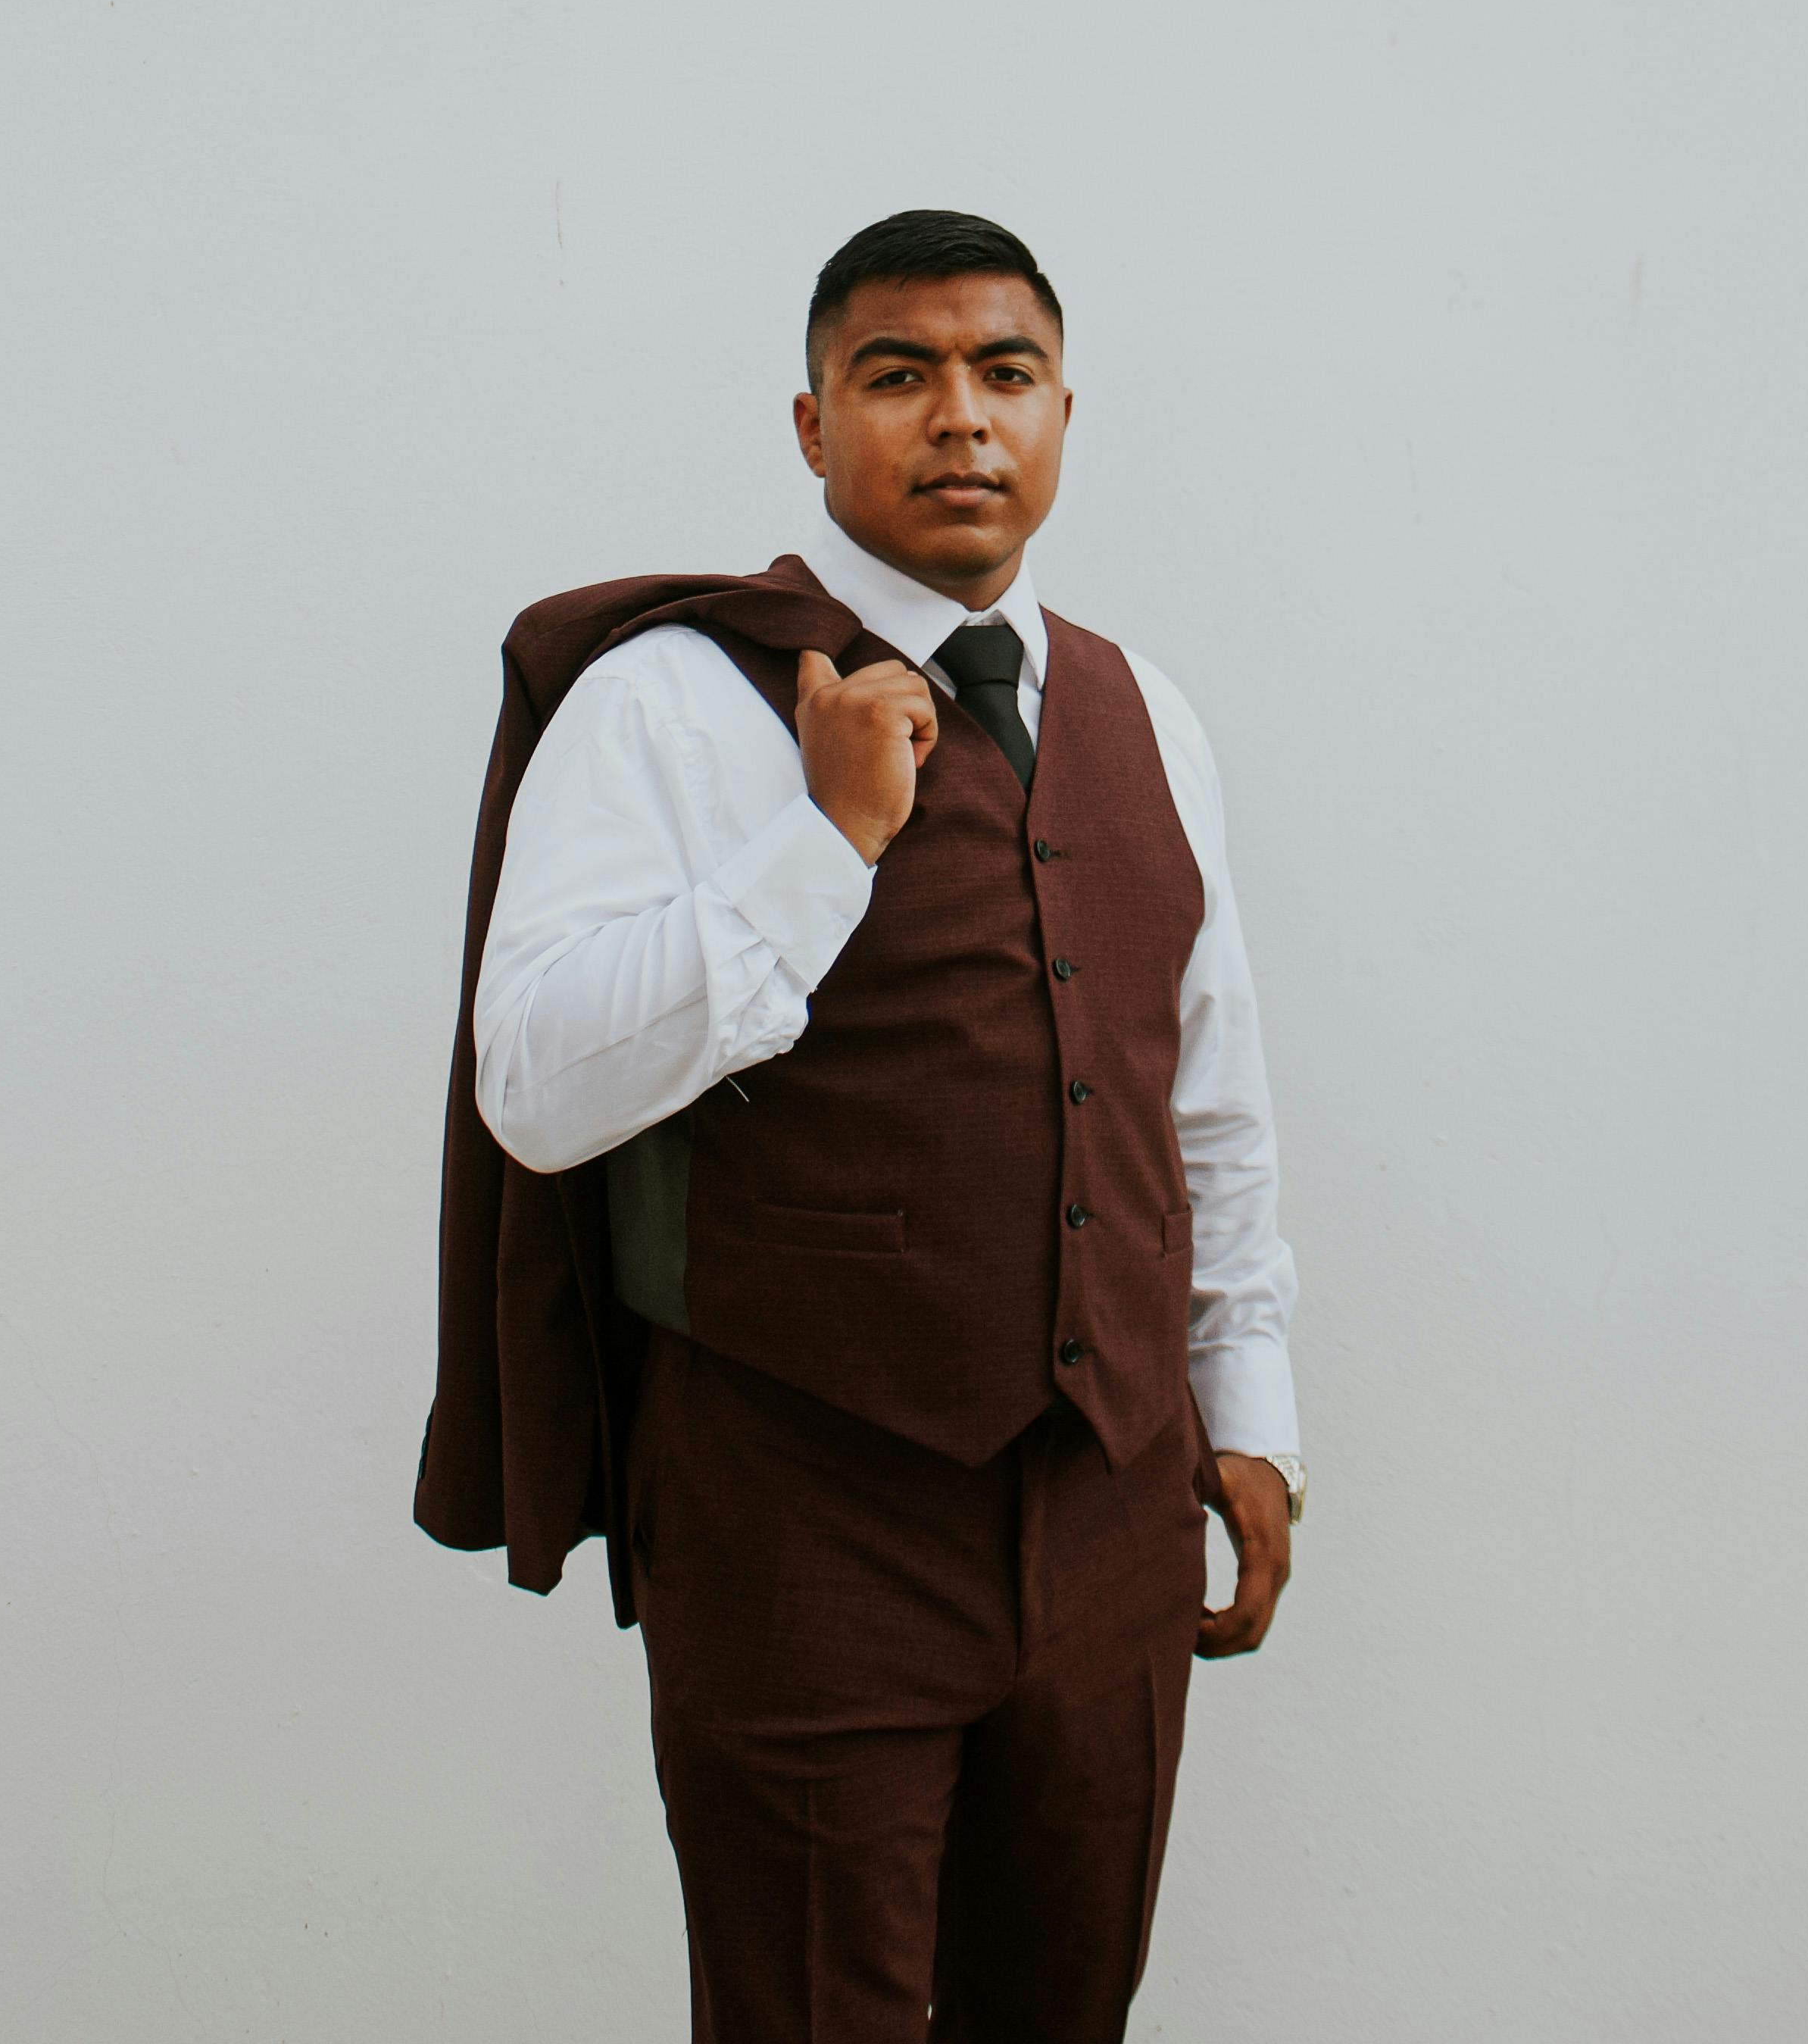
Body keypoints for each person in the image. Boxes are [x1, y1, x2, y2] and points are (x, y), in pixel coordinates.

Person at [415, 208, 1302, 2042]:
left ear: (1065, 412)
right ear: (813, 427)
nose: (958, 417)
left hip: (1110, 1507)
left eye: (1005, 373)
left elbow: (1198, 1096)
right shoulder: (664, 696)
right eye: (896, 374)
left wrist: (1249, 1411)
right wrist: (814, 843)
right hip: (800, 1514)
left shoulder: (1150, 714)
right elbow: (536, 1083)